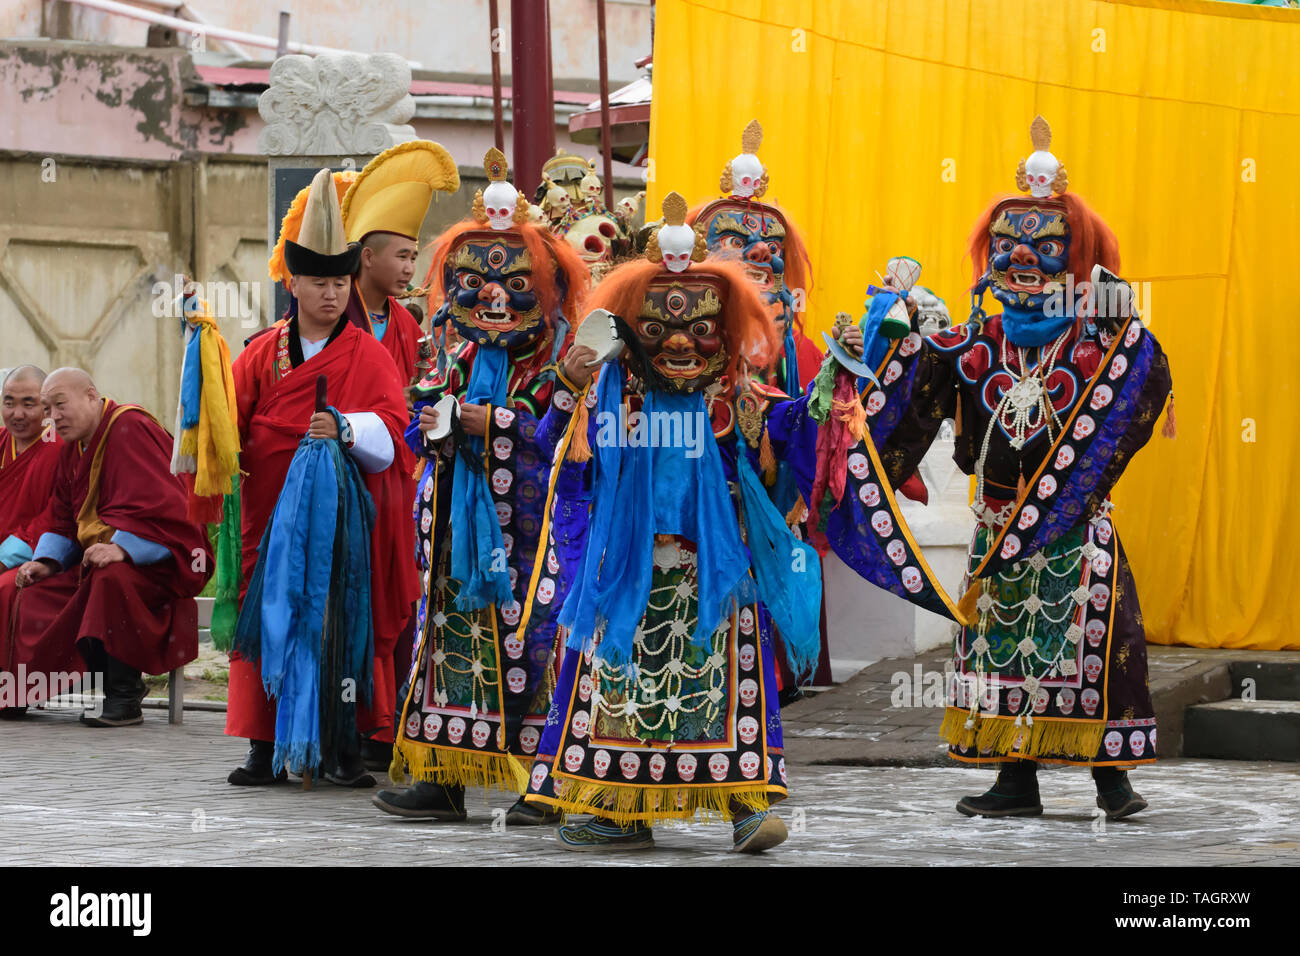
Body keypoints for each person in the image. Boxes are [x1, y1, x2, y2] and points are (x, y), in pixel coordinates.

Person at [520, 193, 965, 851]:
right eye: (657, 327)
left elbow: (792, 433)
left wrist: (837, 379)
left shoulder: (735, 392)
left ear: (721, 327)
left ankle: (747, 808)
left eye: (699, 328)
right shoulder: (608, 388)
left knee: (724, 685)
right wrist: (569, 375)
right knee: (628, 689)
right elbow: (549, 441)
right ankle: (621, 809)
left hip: (715, 564)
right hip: (630, 566)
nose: (678, 341)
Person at [874, 117, 1174, 819]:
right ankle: (1014, 782)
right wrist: (900, 334)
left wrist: (1125, 330)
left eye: (1042, 248)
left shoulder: (1098, 336)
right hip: (996, 527)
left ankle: (1112, 783)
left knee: (1096, 646)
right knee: (1000, 649)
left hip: (1071, 526)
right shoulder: (979, 339)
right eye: (1005, 248)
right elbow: (916, 397)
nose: (1021, 261)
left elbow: (1146, 383)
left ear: (1074, 258)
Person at [372, 148, 591, 823]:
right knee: (451, 638)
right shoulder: (449, 339)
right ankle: (443, 775)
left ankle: (546, 784)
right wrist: (439, 421)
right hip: (455, 525)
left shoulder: (564, 351)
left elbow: (566, 435)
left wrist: (494, 421)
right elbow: (420, 405)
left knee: (538, 639)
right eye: (472, 280)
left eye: (514, 282)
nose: (492, 295)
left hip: (532, 531)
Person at [225, 168, 419, 785]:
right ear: (294, 283)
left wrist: (346, 428)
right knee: (269, 611)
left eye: (339, 282)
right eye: (318, 282)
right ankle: (262, 746)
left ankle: (340, 749)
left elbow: (395, 435)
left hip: (343, 517)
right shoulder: (262, 351)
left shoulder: (369, 353)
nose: (331, 295)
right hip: (269, 513)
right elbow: (229, 425)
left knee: (337, 616)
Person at [339, 141, 461, 767]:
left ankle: (390, 726)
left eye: (416, 255)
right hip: (349, 479)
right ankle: (356, 726)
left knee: (399, 596)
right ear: (365, 257)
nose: (412, 266)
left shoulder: (412, 326)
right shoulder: (339, 320)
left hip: (403, 481)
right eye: (403, 254)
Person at [2, 368, 211, 726]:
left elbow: (170, 509)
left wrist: (125, 548)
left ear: (90, 395)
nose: (53, 418)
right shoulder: (74, 446)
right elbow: (63, 515)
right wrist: (48, 561)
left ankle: (124, 695)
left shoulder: (129, 427)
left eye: (60, 406)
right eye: (49, 409)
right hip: (92, 560)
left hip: (158, 563)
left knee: (111, 577)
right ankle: (20, 691)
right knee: (21, 588)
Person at [0, 366, 63, 717]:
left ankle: (13, 691)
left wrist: (6, 556)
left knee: (7, 588)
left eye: (29, 404)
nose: (18, 414)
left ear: (46, 408)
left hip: (40, 555)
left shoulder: (59, 450)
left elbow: (55, 516)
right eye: (9, 403)